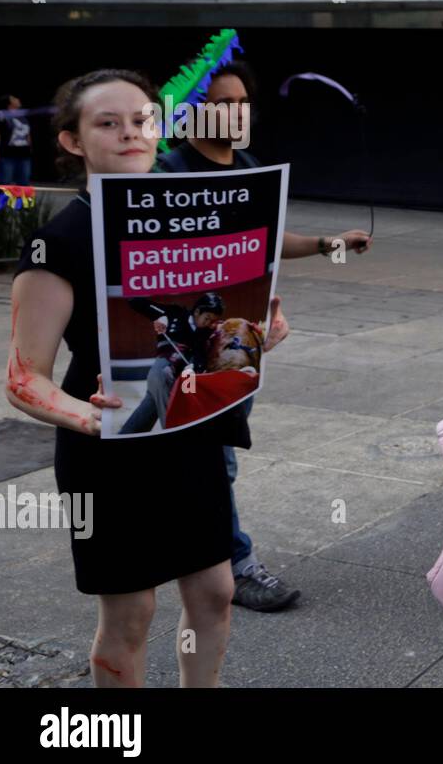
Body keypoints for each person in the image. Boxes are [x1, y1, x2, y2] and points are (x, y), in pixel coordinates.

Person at [5, 69, 236, 686]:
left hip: (190, 430)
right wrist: (91, 418)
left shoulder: (190, 216)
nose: (132, 133)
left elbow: (221, 313)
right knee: (131, 614)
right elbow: (24, 378)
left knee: (215, 591)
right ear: (74, 141)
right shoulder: (60, 242)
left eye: (142, 120)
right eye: (108, 123)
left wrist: (255, 327)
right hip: (107, 451)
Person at [155, 60, 369, 612]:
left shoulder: (249, 166)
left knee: (215, 453)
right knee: (205, 457)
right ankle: (232, 562)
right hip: (176, 343)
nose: (232, 113)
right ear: (190, 110)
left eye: (240, 103)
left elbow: (265, 242)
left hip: (237, 341)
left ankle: (205, 552)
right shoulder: (166, 173)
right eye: (219, 103)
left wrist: (326, 243)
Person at [119, 293, 225, 433]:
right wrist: (160, 317)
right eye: (207, 318)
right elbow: (134, 300)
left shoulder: (207, 334)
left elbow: (202, 362)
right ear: (197, 311)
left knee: (143, 419)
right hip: (164, 372)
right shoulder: (174, 314)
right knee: (176, 424)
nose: (208, 323)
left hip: (186, 381)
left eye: (213, 321)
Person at [0, 94, 33, 185]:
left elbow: (27, 133)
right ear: (9, 103)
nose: (18, 99)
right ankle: (1, 200)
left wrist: (30, 146)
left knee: (24, 181)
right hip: (8, 153)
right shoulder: (2, 115)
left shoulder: (23, 116)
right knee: (5, 181)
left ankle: (21, 199)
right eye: (14, 98)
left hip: (24, 152)